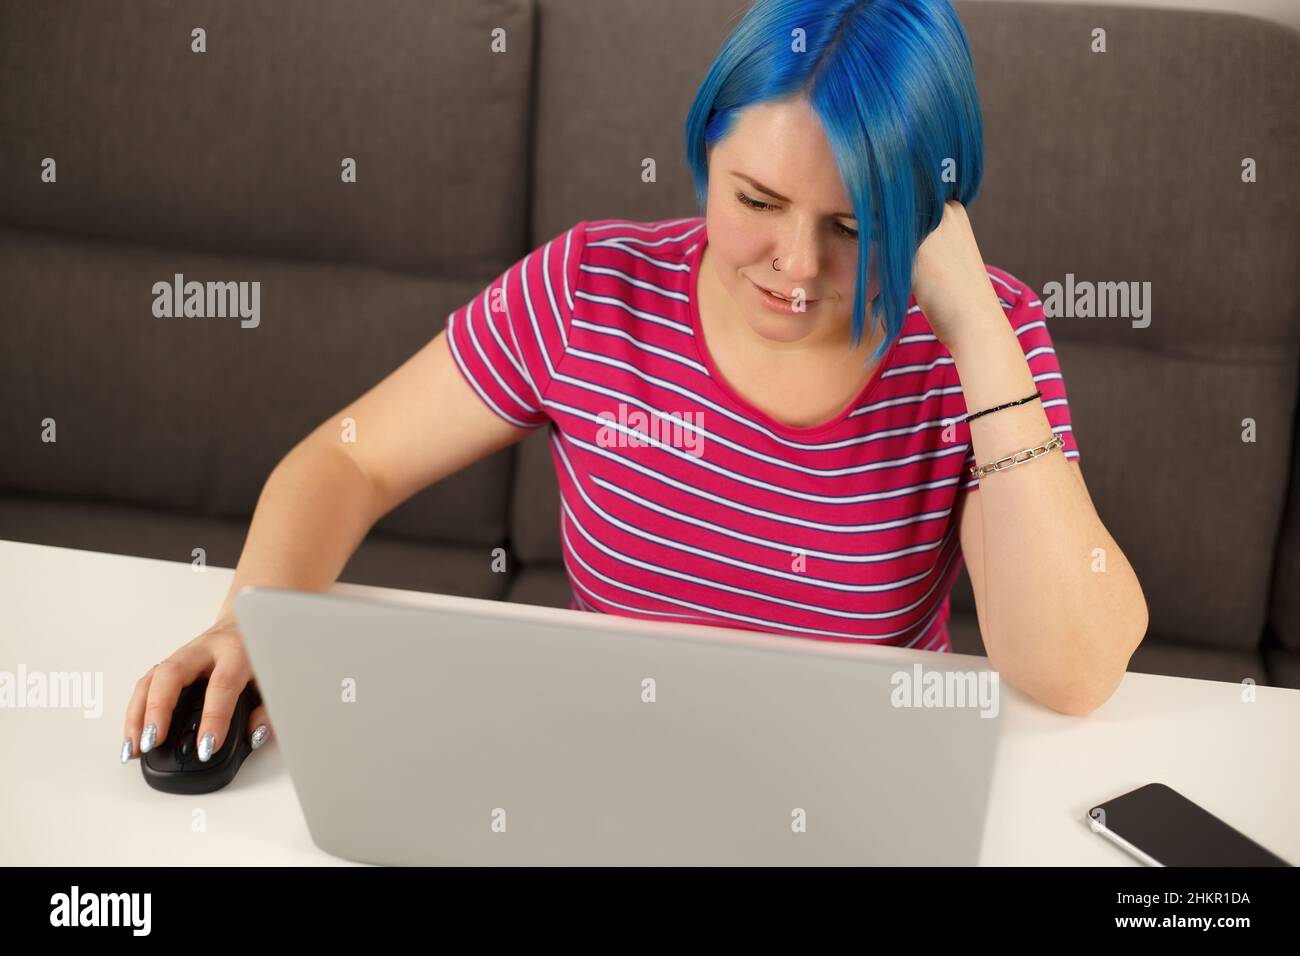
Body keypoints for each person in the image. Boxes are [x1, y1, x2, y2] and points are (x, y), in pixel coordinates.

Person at [122, 0, 1148, 769]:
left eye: (851, 226)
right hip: (608, 767)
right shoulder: (591, 288)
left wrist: (970, 322)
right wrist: (242, 619)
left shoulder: (982, 338)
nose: (793, 266)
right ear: (706, 155)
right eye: (756, 200)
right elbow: (350, 458)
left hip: (846, 792)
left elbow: (1069, 669)